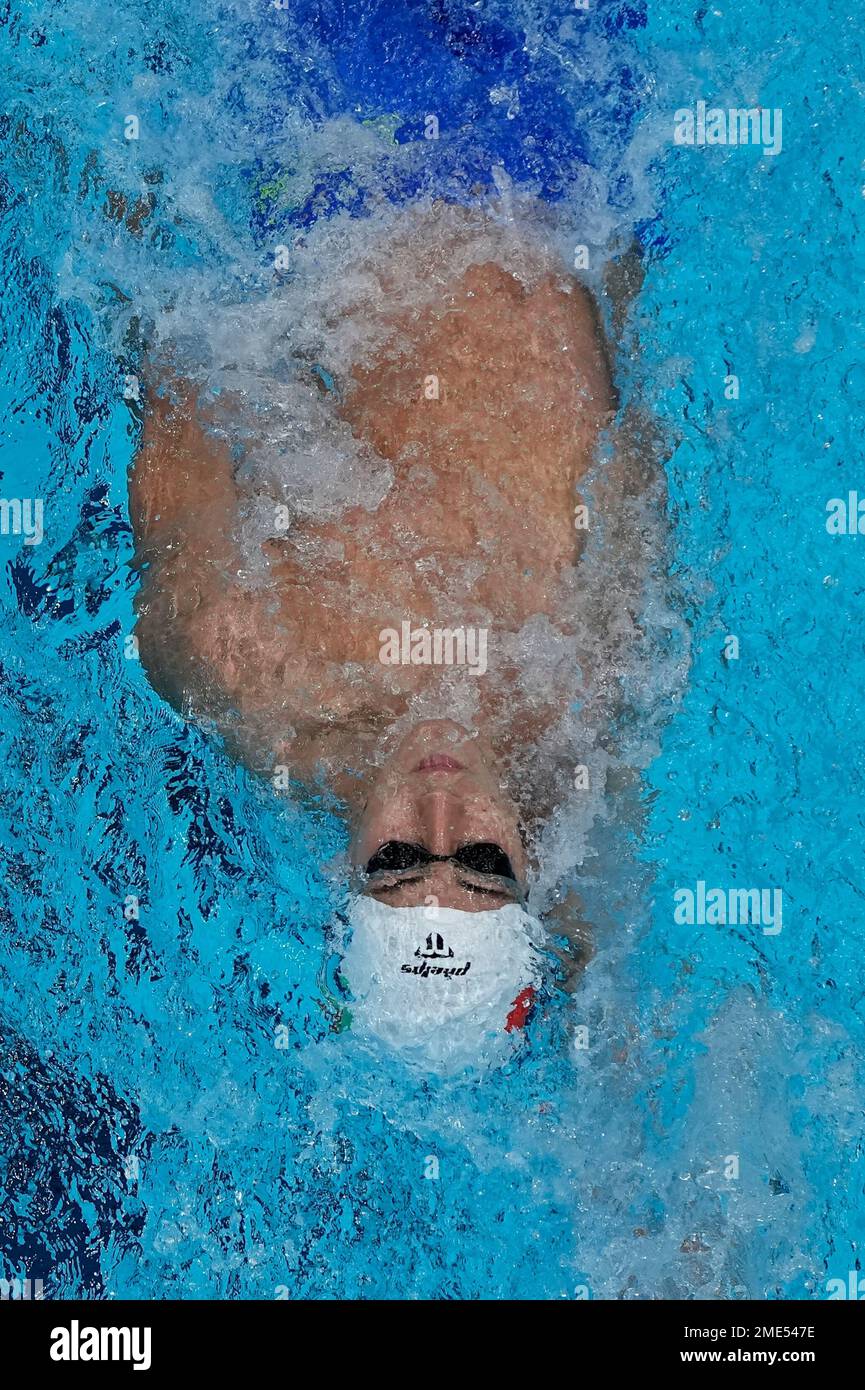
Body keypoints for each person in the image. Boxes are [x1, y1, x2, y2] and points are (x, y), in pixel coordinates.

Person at [128, 199, 625, 1062]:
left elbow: (163, 298)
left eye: (395, 858)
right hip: (575, 168)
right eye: (483, 860)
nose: (443, 803)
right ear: (532, 873)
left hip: (316, 155)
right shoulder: (600, 689)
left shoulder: (236, 655)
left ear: (339, 875)